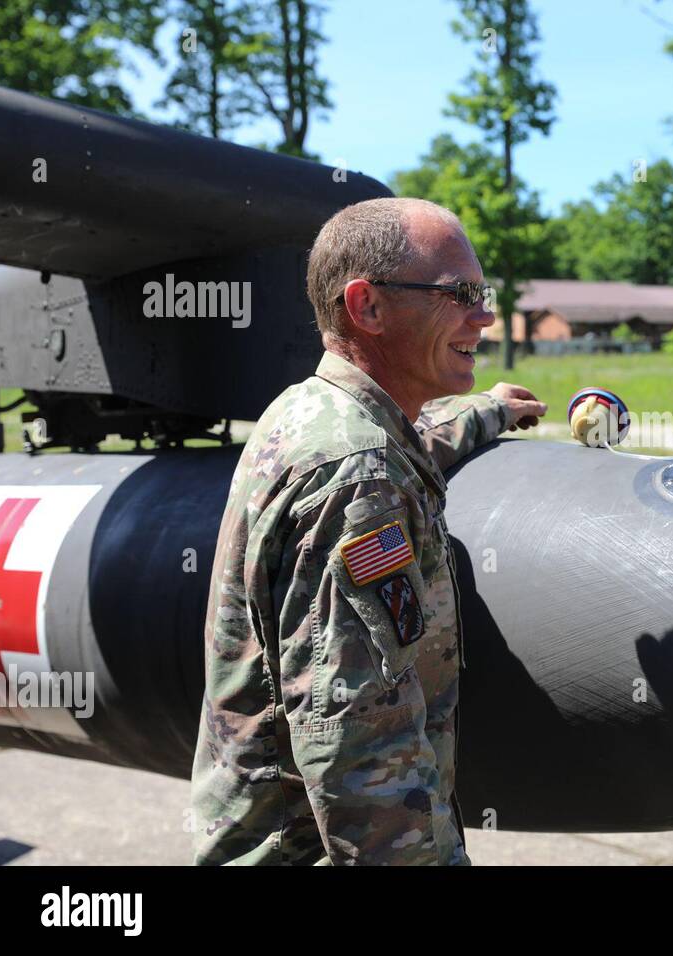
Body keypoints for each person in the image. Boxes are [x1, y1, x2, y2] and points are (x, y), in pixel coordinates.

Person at [191, 197, 546, 865]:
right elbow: (360, 750)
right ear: (369, 307)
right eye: (458, 294)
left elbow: (412, 441)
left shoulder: (317, 414)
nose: (486, 314)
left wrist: (489, 410)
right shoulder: (357, 478)